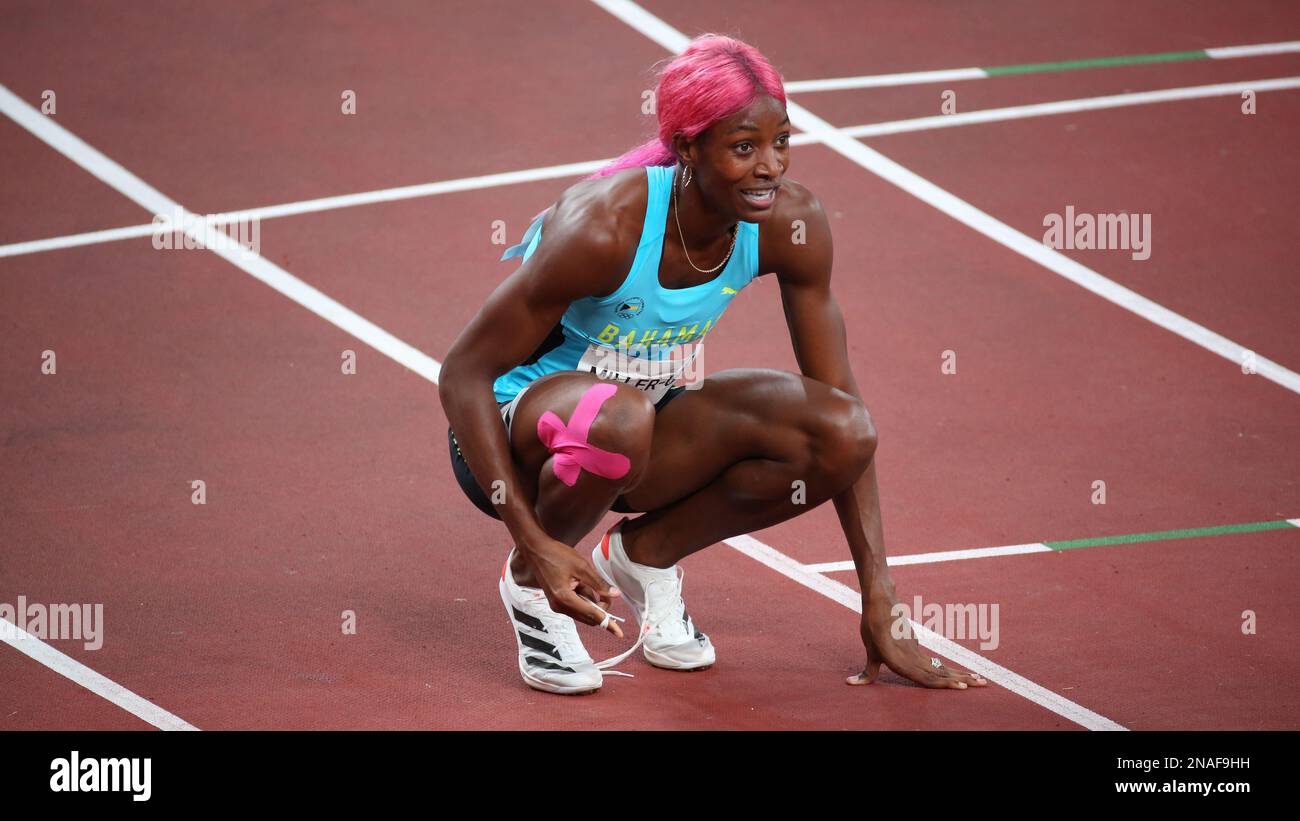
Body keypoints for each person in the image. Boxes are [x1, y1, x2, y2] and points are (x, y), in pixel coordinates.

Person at [440, 34, 988, 696]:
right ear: (689, 149)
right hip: (509, 439)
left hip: (637, 429)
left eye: (781, 142)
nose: (770, 167)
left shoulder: (792, 224)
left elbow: (842, 398)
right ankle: (531, 586)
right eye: (743, 148)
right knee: (618, 415)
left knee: (842, 430)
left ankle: (645, 557)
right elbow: (462, 373)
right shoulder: (603, 228)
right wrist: (532, 540)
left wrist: (881, 597)